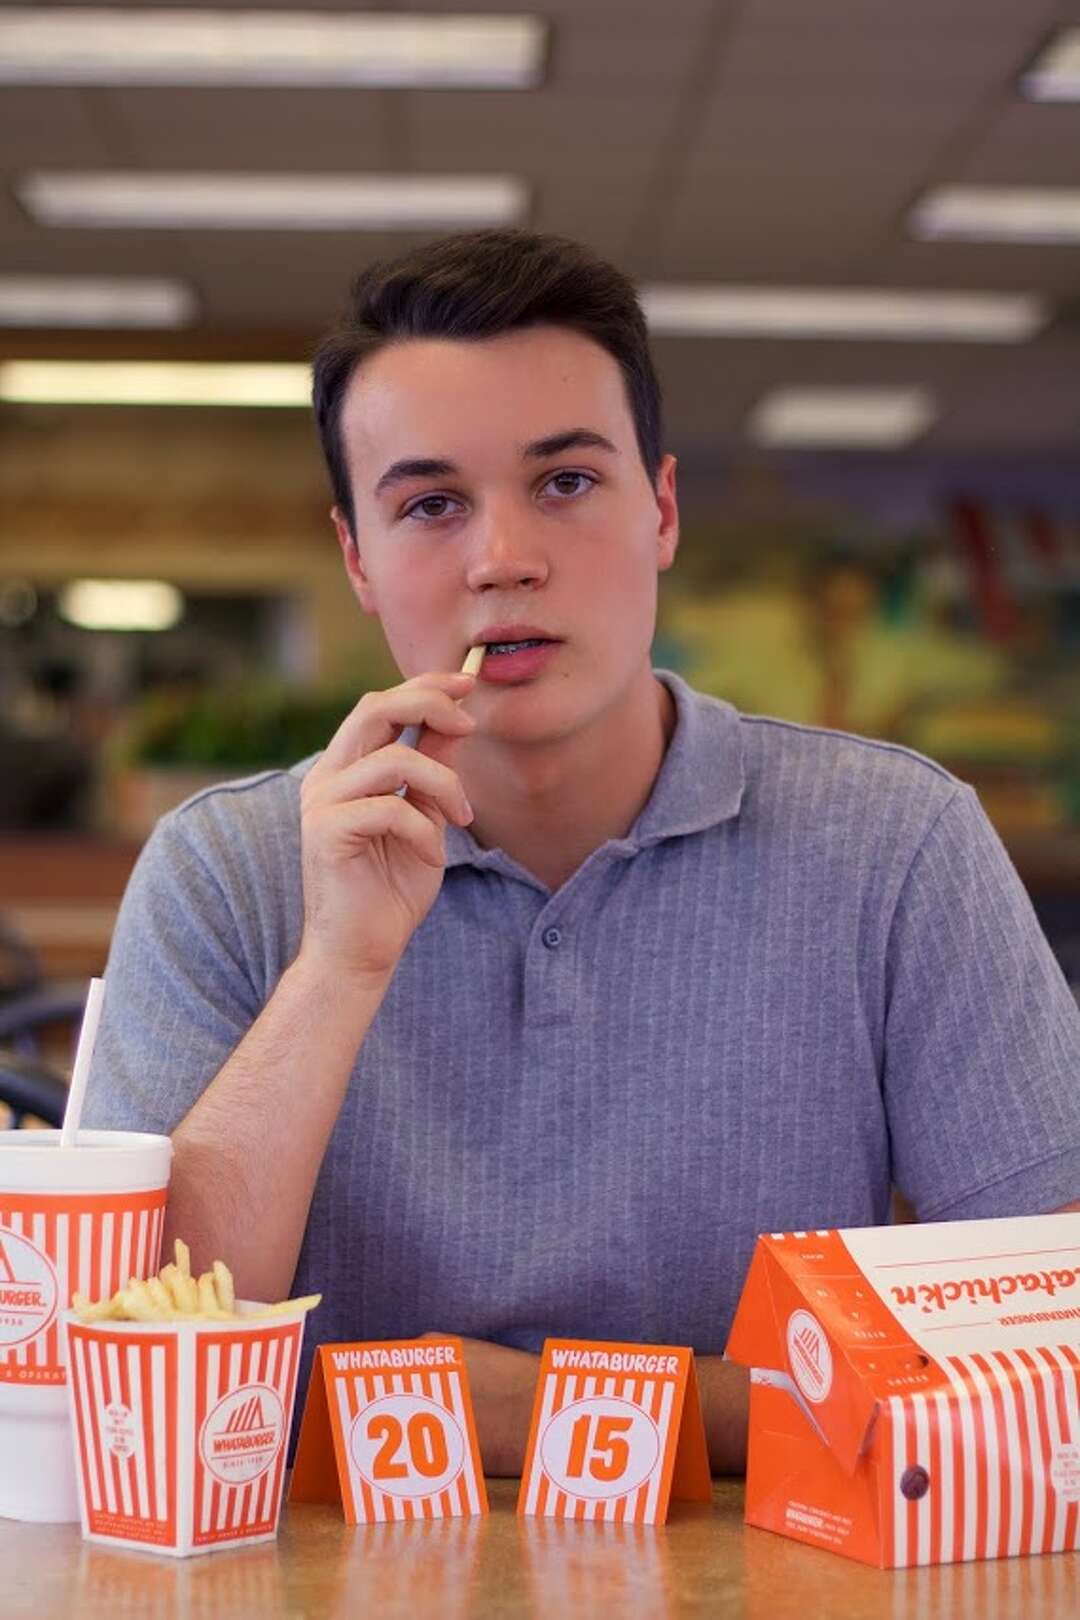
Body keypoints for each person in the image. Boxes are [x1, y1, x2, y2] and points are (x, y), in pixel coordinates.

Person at [83, 229, 1080, 1474]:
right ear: (357, 559)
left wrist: (555, 1407)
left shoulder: (895, 846)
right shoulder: (221, 869)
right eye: (431, 504)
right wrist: (337, 965)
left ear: (659, 510)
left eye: (565, 482)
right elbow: (126, 1374)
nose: (504, 557)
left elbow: (1052, 1360)